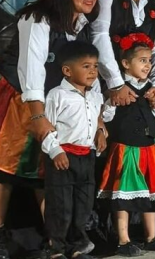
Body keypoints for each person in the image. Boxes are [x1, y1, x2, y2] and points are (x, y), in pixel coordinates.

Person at [0, 0, 100, 259]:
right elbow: (31, 68)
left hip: (54, 102)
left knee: (49, 171)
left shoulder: (82, 26)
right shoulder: (37, 18)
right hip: (17, 97)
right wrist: (38, 116)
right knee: (4, 167)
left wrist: (98, 118)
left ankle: (58, 240)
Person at [97, 33, 155, 257]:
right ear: (126, 63)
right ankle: (123, 239)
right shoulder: (118, 90)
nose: (147, 65)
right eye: (142, 60)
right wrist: (112, 100)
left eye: (149, 60)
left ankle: (151, 236)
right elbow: (107, 117)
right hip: (126, 148)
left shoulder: (151, 88)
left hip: (149, 148)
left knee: (151, 192)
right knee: (124, 195)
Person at [41, 41, 106, 259]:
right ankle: (56, 248)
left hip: (86, 156)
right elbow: (46, 127)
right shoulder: (57, 95)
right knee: (61, 205)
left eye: (95, 66)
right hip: (63, 157)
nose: (93, 71)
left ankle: (78, 246)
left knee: (83, 204)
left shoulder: (96, 96)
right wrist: (55, 151)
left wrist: (100, 133)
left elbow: (98, 119)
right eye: (86, 66)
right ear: (67, 70)